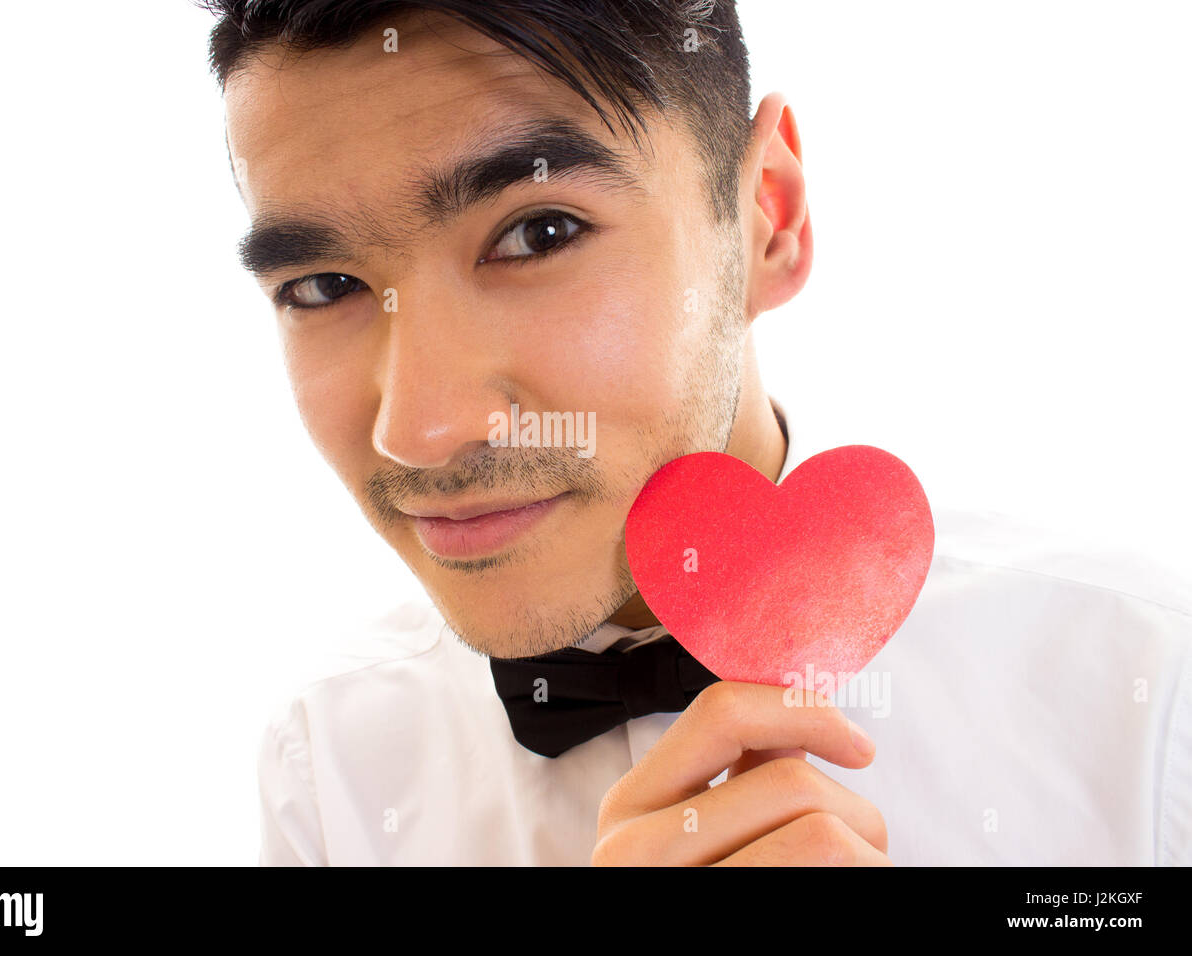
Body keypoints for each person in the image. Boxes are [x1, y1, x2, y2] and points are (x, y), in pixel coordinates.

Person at [202, 0, 1192, 865]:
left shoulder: (1145, 690)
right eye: (321, 287)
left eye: (537, 232)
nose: (418, 429)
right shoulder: (324, 769)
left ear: (767, 215)